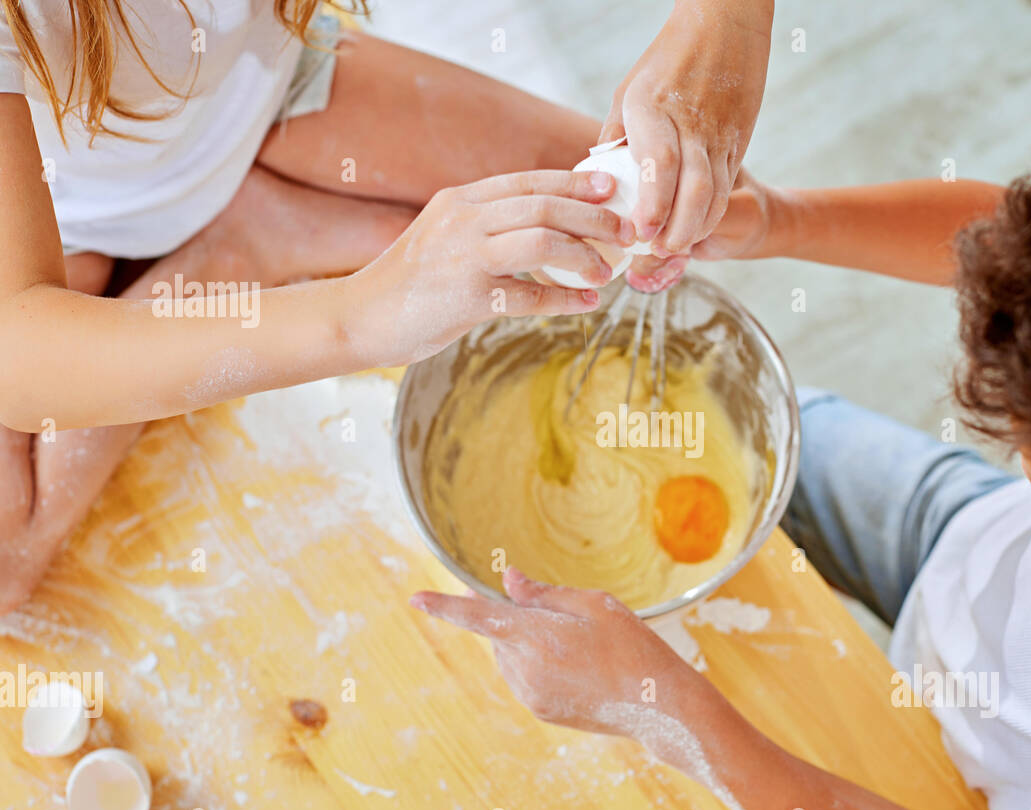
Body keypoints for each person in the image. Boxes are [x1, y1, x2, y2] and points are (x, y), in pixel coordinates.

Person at [414, 125, 1031, 810]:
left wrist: (664, 707)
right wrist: (777, 218)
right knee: (794, 429)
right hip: (951, 531)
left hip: (954, 764)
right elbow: (1019, 255)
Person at [0, 0, 775, 613]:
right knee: (10, 555)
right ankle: (245, 245)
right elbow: (20, 354)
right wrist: (360, 314)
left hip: (264, 96)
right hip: (56, 213)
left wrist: (724, 23)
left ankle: (253, 231)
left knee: (686, 209)